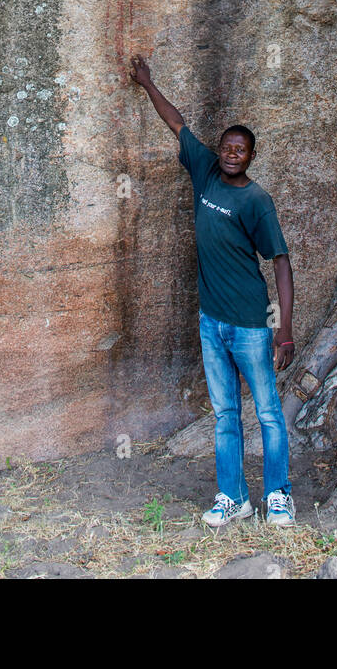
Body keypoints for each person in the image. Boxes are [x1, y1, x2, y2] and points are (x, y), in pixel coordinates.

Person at [129, 53, 296, 528]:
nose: (231, 153)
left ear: (251, 156)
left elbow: (281, 264)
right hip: (211, 323)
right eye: (227, 146)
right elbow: (177, 124)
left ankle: (279, 496)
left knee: (266, 413)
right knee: (225, 414)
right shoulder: (204, 172)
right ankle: (233, 498)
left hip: (249, 326)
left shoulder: (256, 201)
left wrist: (284, 330)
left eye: (240, 149)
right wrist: (148, 84)